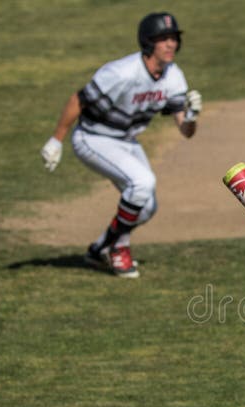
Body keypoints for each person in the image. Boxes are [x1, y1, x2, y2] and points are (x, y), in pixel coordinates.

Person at [40, 12, 201, 278]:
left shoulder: (174, 76)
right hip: (93, 138)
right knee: (142, 183)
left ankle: (99, 249)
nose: (171, 44)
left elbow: (185, 131)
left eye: (173, 39)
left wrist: (192, 116)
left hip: (126, 141)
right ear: (148, 42)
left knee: (146, 207)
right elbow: (79, 100)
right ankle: (118, 248)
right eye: (163, 39)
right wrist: (56, 139)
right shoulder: (122, 72)